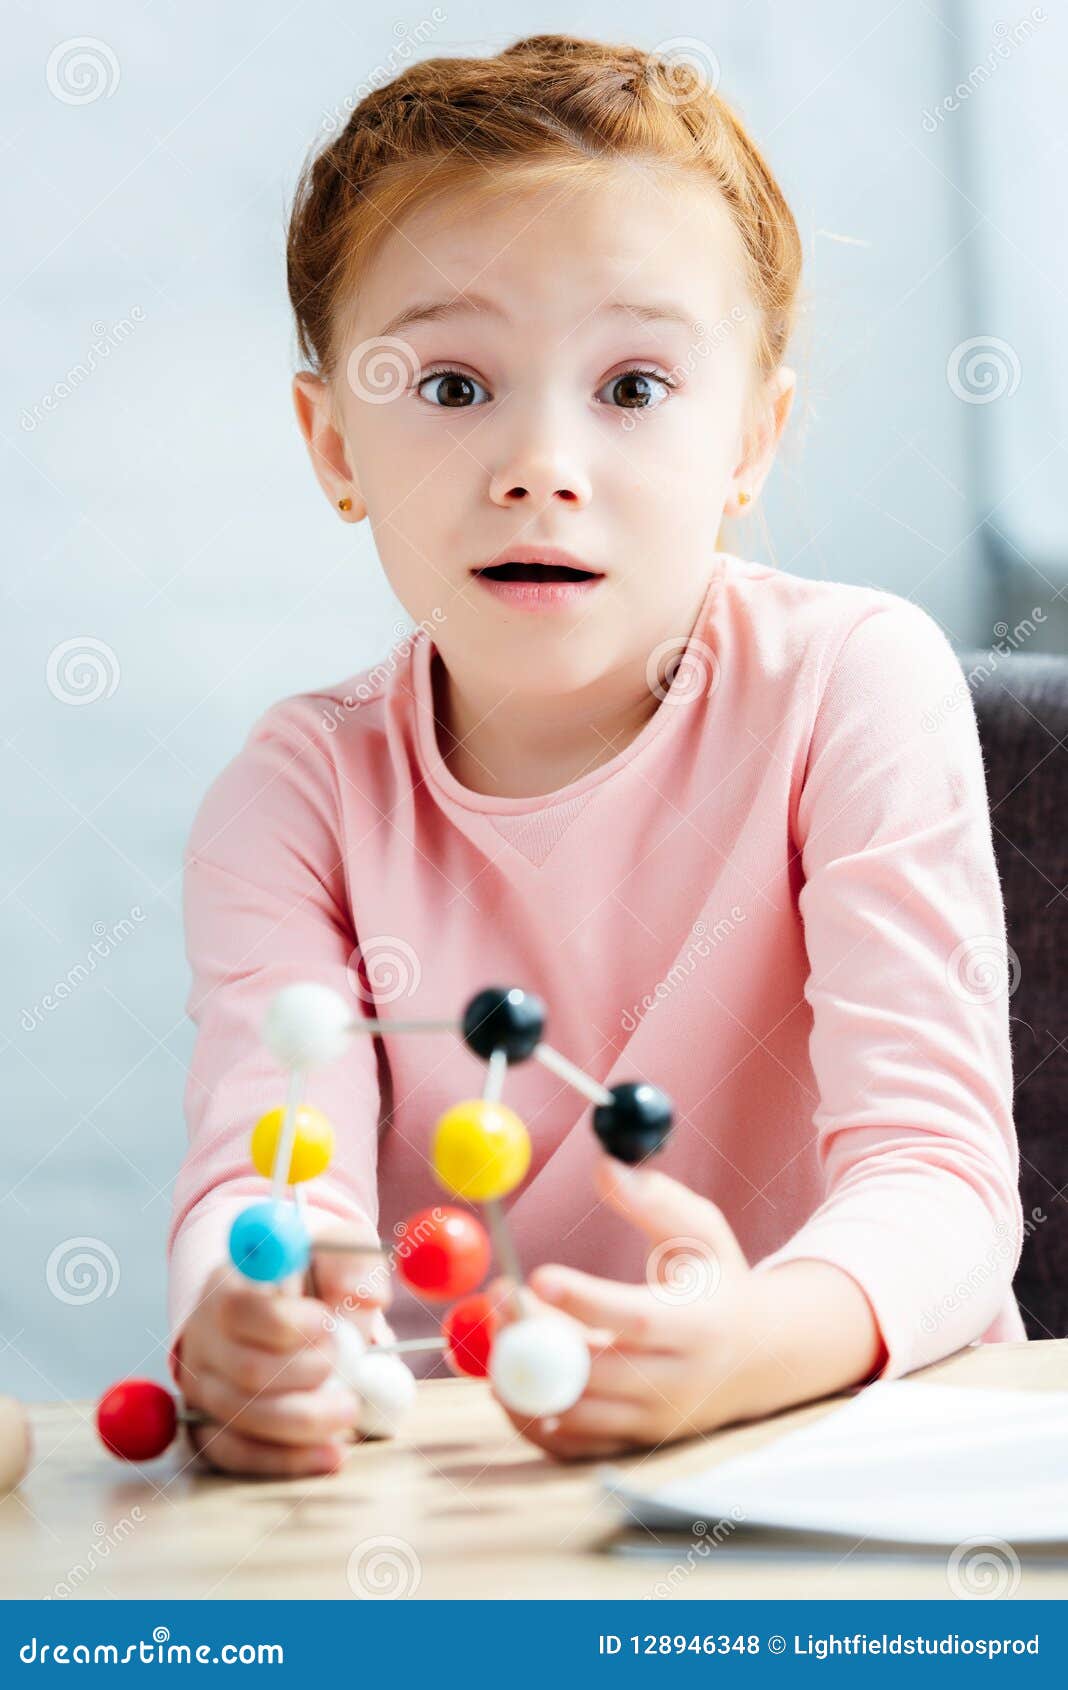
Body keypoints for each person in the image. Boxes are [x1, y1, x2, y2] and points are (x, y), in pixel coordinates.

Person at [167, 34, 1026, 1476]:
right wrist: (250, 1324)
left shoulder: (852, 686)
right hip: (477, 1496)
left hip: (865, 1472)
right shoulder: (295, 795)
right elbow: (270, 1172)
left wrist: (758, 1341)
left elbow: (938, 1180)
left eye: (634, 387)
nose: (541, 462)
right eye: (450, 386)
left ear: (753, 435)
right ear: (332, 445)